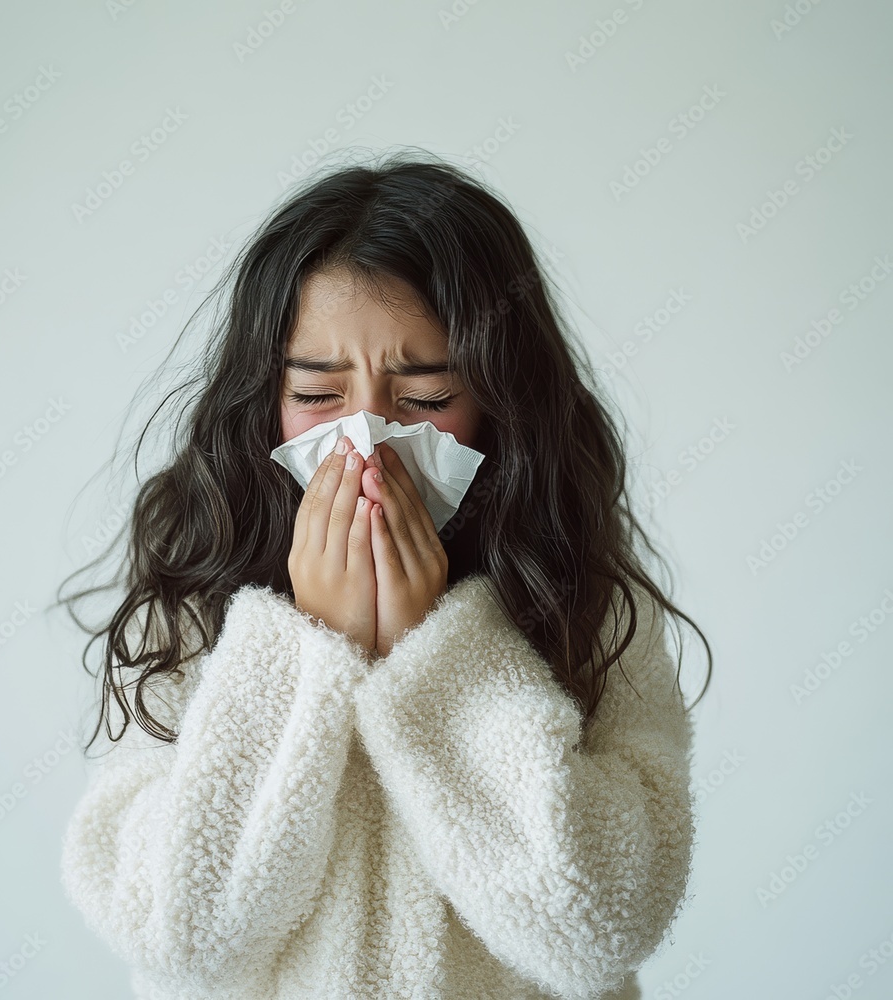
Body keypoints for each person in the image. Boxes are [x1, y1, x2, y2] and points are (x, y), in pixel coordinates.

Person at [56, 149, 712, 999]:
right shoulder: (188, 606)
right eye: (319, 394)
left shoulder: (590, 606)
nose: (366, 442)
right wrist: (303, 647)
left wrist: (433, 655)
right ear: (264, 397)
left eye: (428, 399)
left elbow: (597, 926)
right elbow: (180, 937)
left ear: (500, 402)